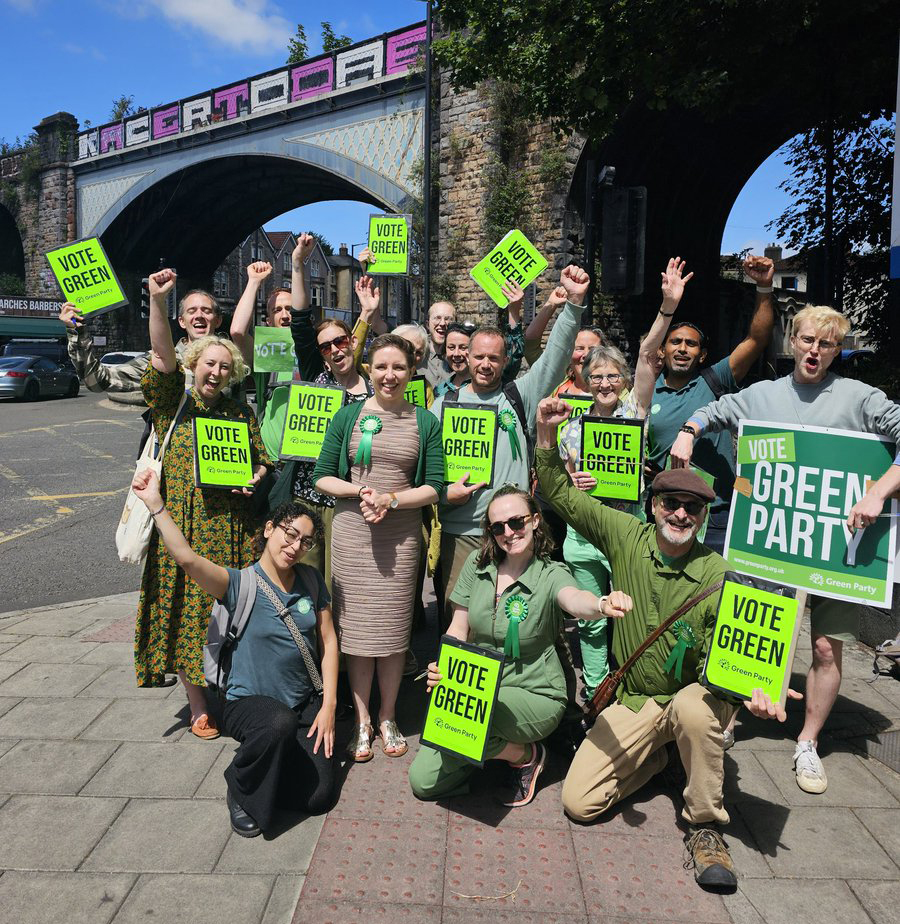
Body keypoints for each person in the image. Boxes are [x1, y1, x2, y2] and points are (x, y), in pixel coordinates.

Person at [535, 396, 800, 889]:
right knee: (579, 803)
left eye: (692, 508)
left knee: (696, 712)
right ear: (654, 505)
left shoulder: (720, 577)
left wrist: (763, 689)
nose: (680, 514)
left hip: (692, 694)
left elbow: (749, 656)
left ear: (702, 517)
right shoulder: (625, 535)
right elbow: (557, 491)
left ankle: (704, 826)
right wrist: (547, 435)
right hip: (636, 697)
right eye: (671, 504)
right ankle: (661, 756)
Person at [670, 303, 900, 795]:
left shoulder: (861, 398)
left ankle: (808, 742)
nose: (815, 351)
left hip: (838, 548)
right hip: (773, 541)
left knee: (824, 647)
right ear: (792, 342)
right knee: (754, 633)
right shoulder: (762, 395)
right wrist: (689, 433)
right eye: (807, 340)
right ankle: (730, 717)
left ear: (839, 349)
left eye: (827, 343)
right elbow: (712, 411)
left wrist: (878, 491)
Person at [131, 468, 337, 836]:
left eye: (305, 541)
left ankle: (273, 760)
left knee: (319, 797)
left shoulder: (311, 580)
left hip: (302, 702)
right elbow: (188, 559)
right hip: (249, 705)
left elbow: (329, 643)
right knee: (277, 724)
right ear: (269, 529)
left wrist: (330, 706)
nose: (295, 546)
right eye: (290, 534)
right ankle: (241, 783)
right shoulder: (239, 583)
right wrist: (156, 505)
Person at [408, 485, 617, 806]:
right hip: (478, 687)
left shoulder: (551, 573)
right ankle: (486, 749)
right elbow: (458, 626)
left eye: (517, 522)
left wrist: (601, 604)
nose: (509, 532)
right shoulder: (477, 567)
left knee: (475, 719)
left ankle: (526, 754)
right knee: (422, 782)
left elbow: (575, 600)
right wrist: (444, 667)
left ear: (535, 520)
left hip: (535, 693)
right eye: (498, 527)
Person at [136, 268, 272, 739]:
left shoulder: (239, 411)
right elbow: (161, 355)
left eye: (222, 366)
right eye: (207, 364)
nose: (214, 372)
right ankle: (199, 704)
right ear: (193, 363)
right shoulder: (174, 401)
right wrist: (157, 301)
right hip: (185, 524)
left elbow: (261, 461)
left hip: (231, 527)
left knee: (229, 610)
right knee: (190, 609)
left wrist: (255, 476)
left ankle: (233, 686)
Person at [558, 257, 693, 696]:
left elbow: (648, 355)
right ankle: (597, 689)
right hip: (583, 535)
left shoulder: (635, 412)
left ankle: (634, 679)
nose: (604, 382)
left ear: (622, 380)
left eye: (612, 375)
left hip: (630, 529)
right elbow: (562, 483)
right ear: (584, 379)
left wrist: (667, 307)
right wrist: (573, 483)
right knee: (592, 619)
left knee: (634, 610)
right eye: (595, 376)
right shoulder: (571, 429)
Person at [430, 264, 589, 630]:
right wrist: (442, 493)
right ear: (465, 358)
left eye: (494, 358)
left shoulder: (520, 395)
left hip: (514, 532)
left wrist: (574, 305)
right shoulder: (442, 405)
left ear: (506, 361)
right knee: (462, 624)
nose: (485, 364)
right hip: (462, 533)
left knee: (517, 621)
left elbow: (555, 356)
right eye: (479, 357)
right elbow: (425, 469)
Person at [313, 334, 444, 761]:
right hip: (353, 534)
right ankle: (363, 719)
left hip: (400, 537)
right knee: (355, 633)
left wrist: (391, 499)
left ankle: (389, 716)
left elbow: (434, 487)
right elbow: (322, 476)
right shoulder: (347, 416)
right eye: (382, 367)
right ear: (370, 369)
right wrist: (361, 492)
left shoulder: (425, 421)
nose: (390, 375)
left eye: (399, 368)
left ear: (412, 372)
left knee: (391, 633)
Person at [645, 255, 777, 553]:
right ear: (662, 350)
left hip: (717, 514)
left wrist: (765, 288)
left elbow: (757, 339)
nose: (682, 348)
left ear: (702, 355)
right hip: (665, 513)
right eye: (675, 342)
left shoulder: (715, 379)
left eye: (690, 344)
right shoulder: (645, 392)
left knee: (718, 592)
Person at [60, 287, 225, 396]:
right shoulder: (159, 362)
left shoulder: (231, 361)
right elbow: (96, 381)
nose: (199, 316)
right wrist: (77, 331)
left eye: (206, 311)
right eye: (192, 311)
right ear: (182, 321)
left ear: (218, 320)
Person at [434, 321, 473, 398]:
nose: (456, 354)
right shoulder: (440, 390)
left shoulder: (484, 388)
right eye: (451, 347)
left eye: (463, 347)